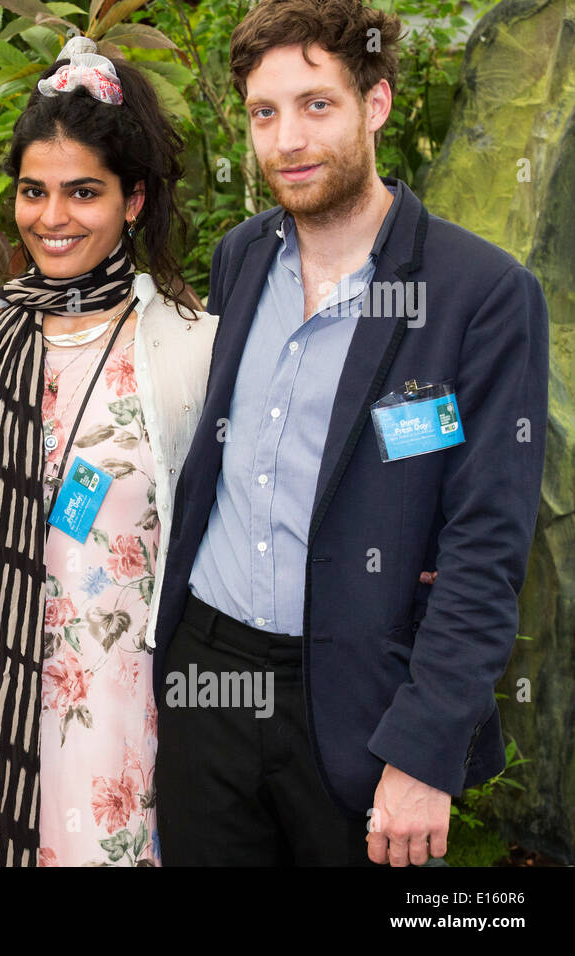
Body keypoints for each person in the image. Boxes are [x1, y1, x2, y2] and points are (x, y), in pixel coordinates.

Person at [153, 0, 548, 866]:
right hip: (209, 677)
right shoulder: (241, 257)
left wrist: (424, 748)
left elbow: (486, 548)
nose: (288, 138)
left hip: (363, 699)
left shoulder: (481, 295)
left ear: (376, 104)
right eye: (266, 112)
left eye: (317, 104)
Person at [0, 37, 217, 867]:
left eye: (82, 193)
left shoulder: (188, 350)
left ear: (133, 200)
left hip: (122, 719)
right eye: (34, 191)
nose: (51, 218)